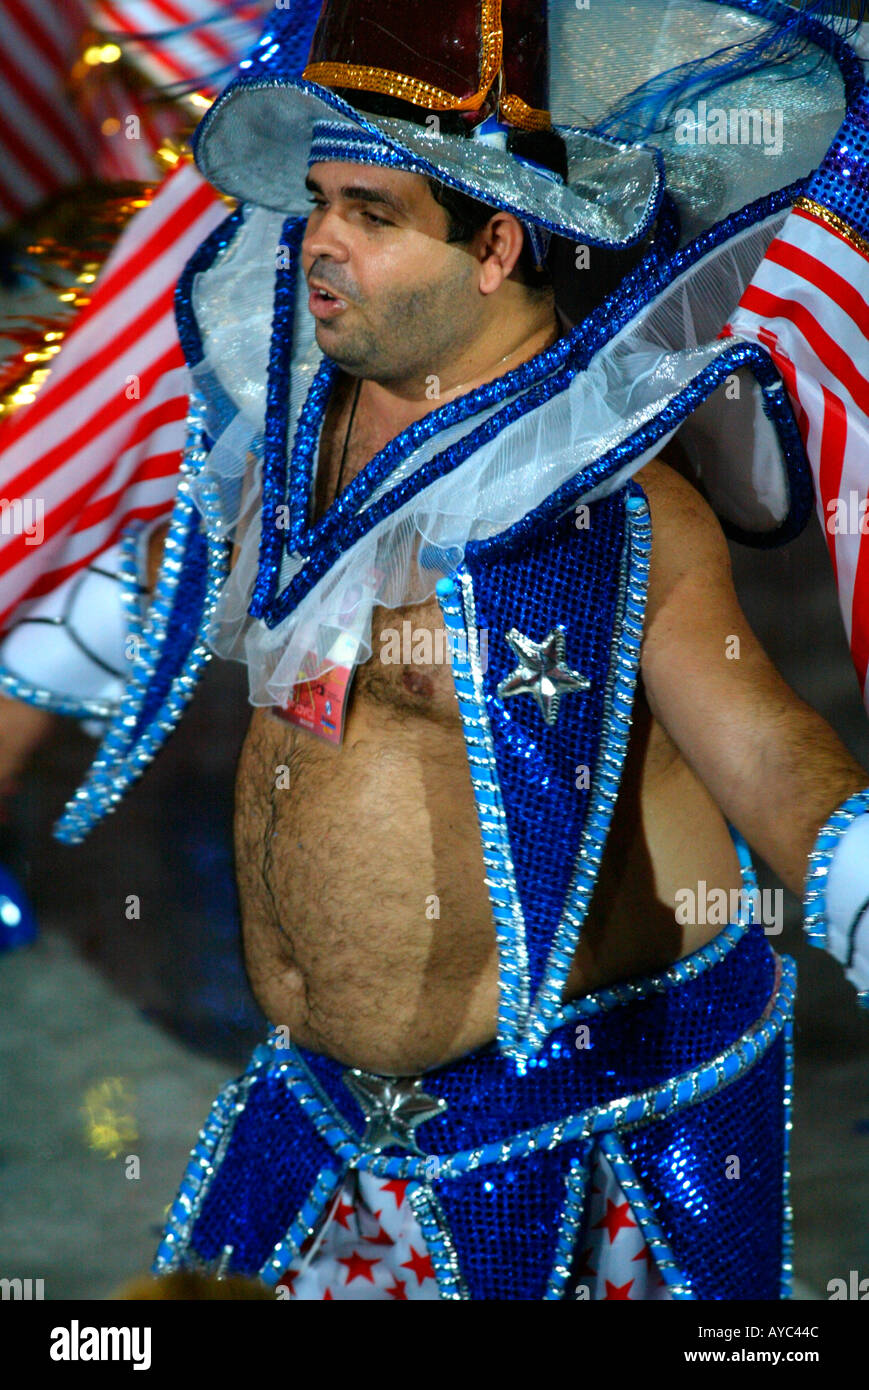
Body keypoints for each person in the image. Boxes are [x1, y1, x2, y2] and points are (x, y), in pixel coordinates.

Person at [3, 0, 869, 1299]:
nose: (318, 246)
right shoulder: (304, 423)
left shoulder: (614, 503)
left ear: (494, 244)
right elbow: (159, 589)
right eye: (316, 201)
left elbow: (767, 754)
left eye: (371, 212)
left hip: (567, 1160)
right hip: (318, 1132)